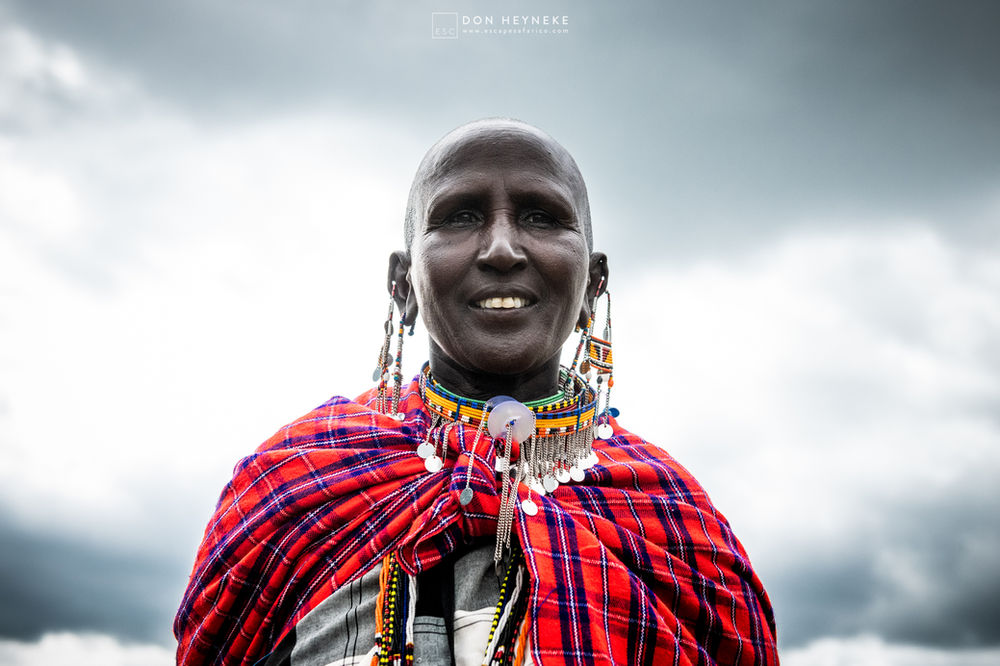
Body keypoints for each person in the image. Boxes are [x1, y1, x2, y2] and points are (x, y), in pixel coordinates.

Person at [174, 118, 778, 665]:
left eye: (541, 216)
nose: (501, 249)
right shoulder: (295, 481)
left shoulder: (673, 521)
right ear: (402, 284)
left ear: (594, 285)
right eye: (460, 216)